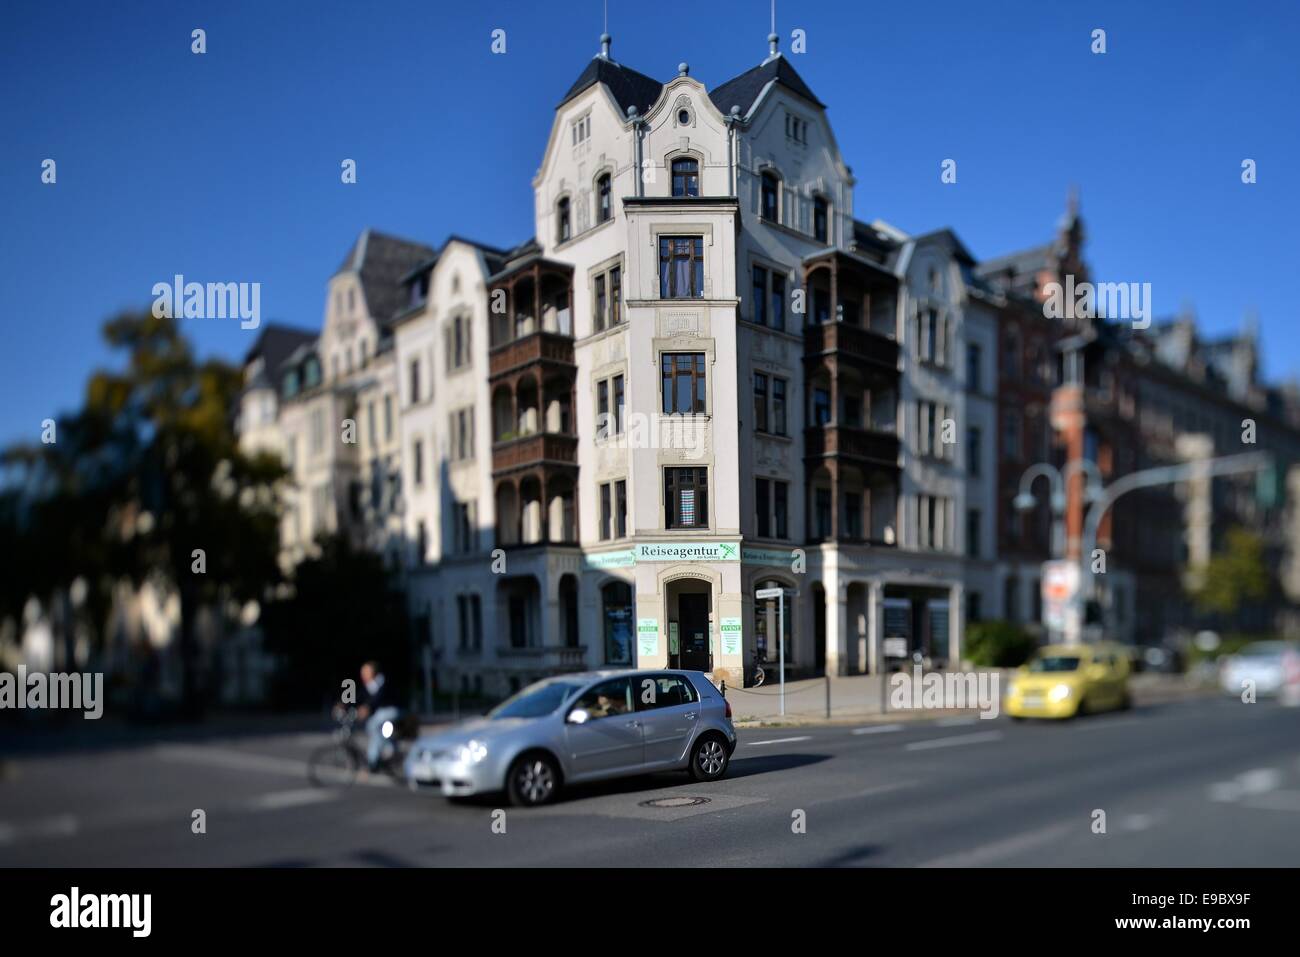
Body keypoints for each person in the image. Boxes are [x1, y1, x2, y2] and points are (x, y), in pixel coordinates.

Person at [357, 661, 401, 772]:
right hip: (381, 713)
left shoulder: (382, 681)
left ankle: (383, 753)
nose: (363, 675)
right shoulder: (369, 685)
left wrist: (367, 708)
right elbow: (359, 697)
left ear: (373, 672)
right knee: (375, 732)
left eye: (365, 672)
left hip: (391, 710)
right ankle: (377, 758)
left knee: (372, 725)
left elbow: (378, 698)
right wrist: (344, 704)